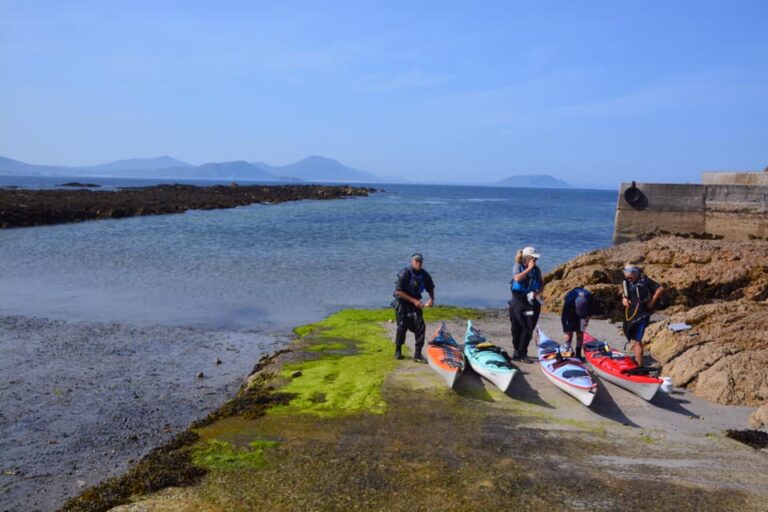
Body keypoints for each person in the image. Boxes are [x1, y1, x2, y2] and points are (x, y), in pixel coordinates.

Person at [392, 253, 435, 363]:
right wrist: (414, 301)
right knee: (402, 327)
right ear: (412, 262)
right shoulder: (405, 273)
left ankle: (417, 354)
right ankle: (398, 350)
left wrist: (431, 299)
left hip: (415, 304)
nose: (418, 263)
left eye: (420, 261)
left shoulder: (424, 275)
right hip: (402, 303)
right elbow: (398, 292)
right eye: (416, 261)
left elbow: (430, 287)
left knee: (420, 326)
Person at [621, 265, 665, 366]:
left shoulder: (645, 281)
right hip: (631, 312)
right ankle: (637, 360)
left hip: (642, 313)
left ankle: (640, 365)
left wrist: (653, 301)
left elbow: (660, 288)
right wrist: (624, 299)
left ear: (635, 273)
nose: (628, 279)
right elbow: (625, 293)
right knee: (633, 337)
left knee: (637, 340)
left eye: (630, 276)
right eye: (626, 276)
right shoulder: (626, 282)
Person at [509, 246, 544, 363]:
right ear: (526, 258)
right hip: (517, 299)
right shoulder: (518, 266)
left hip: (530, 300)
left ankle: (523, 352)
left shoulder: (536, 270)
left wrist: (536, 293)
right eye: (533, 258)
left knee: (528, 326)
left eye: (536, 259)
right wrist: (529, 269)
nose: (535, 261)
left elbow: (541, 286)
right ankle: (516, 351)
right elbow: (517, 279)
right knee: (516, 326)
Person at [561, 287, 594, 360]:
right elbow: (564, 317)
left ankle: (578, 353)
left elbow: (590, 312)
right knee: (569, 331)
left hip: (583, 316)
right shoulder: (569, 300)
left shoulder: (589, 298)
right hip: (571, 314)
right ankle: (567, 349)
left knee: (580, 332)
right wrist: (565, 331)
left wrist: (587, 320)